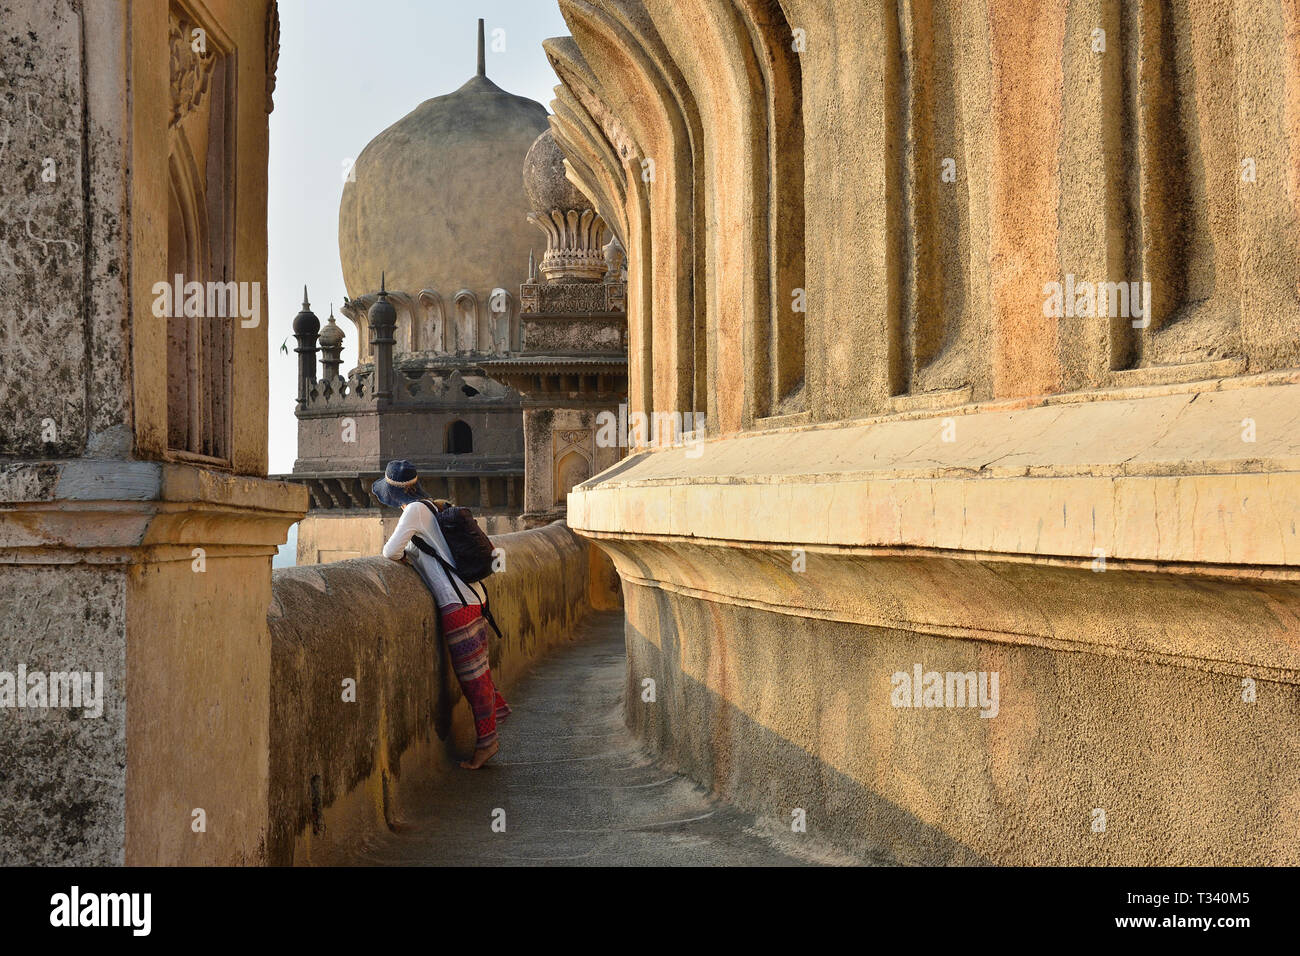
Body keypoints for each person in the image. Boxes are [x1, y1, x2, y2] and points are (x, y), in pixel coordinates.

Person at [373, 459, 509, 770]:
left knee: (472, 679)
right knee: (479, 673)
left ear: (394, 494)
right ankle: (493, 720)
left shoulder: (414, 512)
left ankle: (487, 744)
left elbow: (389, 552)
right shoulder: (431, 506)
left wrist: (406, 555)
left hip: (456, 604)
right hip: (474, 597)